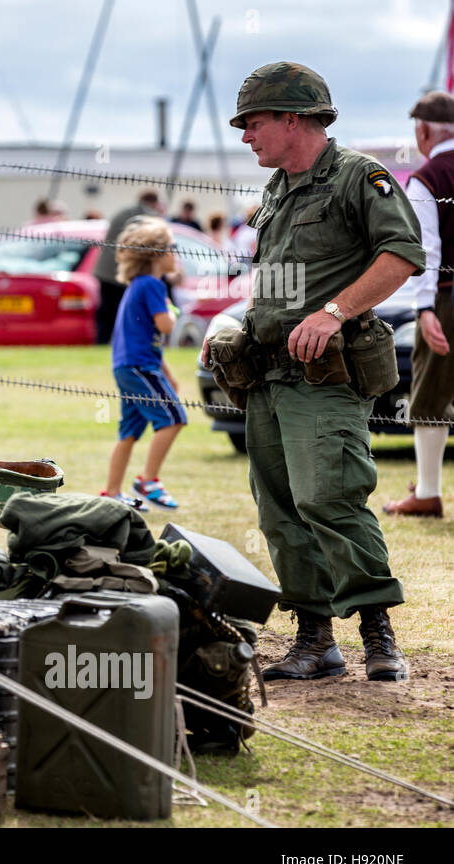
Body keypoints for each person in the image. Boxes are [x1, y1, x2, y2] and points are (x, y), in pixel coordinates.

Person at [205, 61, 426, 682]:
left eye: (254, 123)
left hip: (325, 377)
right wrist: (240, 333)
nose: (246, 135)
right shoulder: (276, 188)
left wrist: (335, 312)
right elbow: (278, 282)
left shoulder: (359, 177)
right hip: (267, 377)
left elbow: (404, 254)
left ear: (293, 119)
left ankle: (379, 633)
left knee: (329, 497)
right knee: (279, 511)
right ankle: (315, 639)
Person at [383, 91, 454, 517]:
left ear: (424, 131)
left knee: (430, 394)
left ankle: (427, 492)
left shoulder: (428, 177)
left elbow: (427, 249)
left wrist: (425, 308)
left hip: (448, 297)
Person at [101, 218, 186, 510]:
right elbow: (163, 326)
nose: (177, 255)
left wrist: (168, 374)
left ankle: (112, 493)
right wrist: (173, 312)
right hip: (139, 368)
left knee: (129, 432)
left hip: (130, 366)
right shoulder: (152, 285)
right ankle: (149, 480)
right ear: (157, 254)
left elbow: (146, 339)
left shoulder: (139, 285)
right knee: (174, 419)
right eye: (173, 249)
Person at [92, 189, 166, 344]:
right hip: (122, 270)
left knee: (106, 313)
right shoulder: (145, 216)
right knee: (126, 314)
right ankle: (116, 343)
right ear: (153, 202)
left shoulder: (124, 211)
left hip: (105, 269)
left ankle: (102, 342)